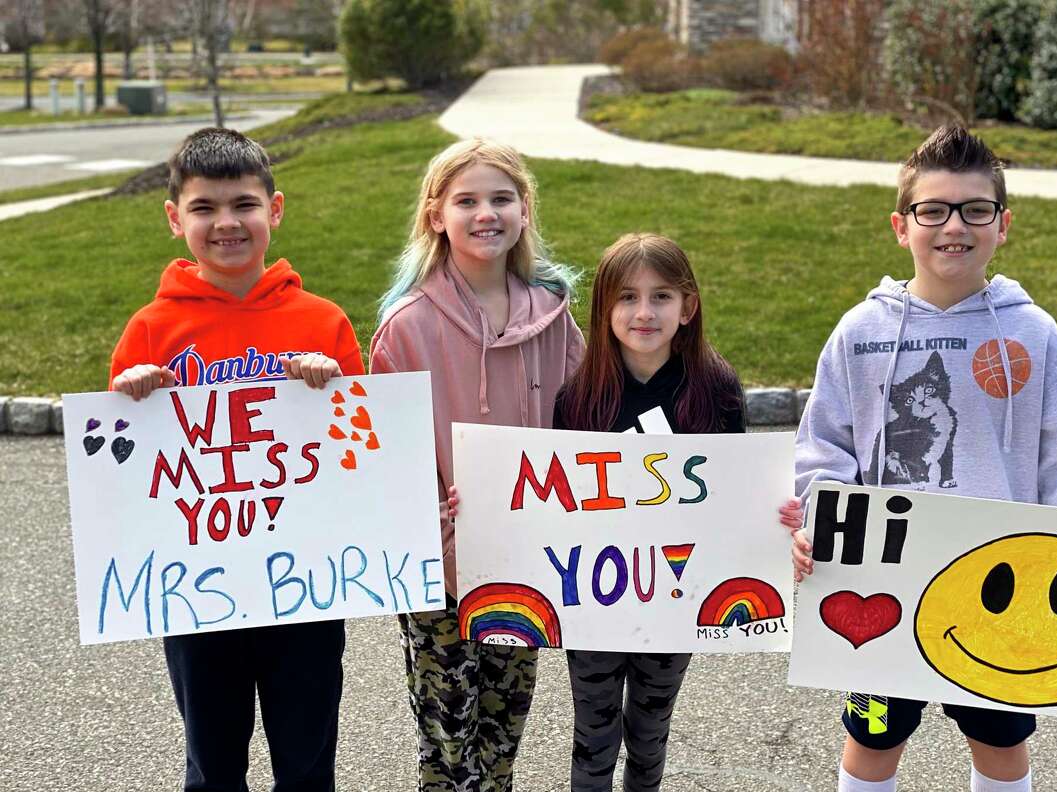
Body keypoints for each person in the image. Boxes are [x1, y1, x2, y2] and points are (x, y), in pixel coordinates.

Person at [786, 125, 1057, 792]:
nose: (954, 226)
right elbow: (824, 447)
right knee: (872, 743)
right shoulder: (861, 333)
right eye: (933, 210)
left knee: (1000, 747)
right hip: (882, 587)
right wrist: (817, 523)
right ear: (901, 226)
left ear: (1003, 225)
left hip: (1002, 585)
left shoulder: (1031, 332)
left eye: (975, 210)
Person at [110, 127, 364, 791]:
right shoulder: (150, 329)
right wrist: (129, 395)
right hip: (196, 592)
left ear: (274, 210)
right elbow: (125, 468)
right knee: (213, 763)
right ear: (175, 219)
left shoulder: (324, 323)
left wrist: (334, 388)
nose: (226, 223)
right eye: (204, 208)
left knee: (307, 762)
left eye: (244, 204)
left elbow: (361, 452)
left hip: (304, 590)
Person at [370, 138, 584, 791]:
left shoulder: (554, 318)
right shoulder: (405, 327)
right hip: (438, 569)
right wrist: (431, 521)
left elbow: (584, 425)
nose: (485, 213)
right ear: (436, 215)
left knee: (504, 724)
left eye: (501, 198)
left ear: (525, 210)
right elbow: (385, 454)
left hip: (524, 562)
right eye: (466, 201)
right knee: (448, 733)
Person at [553, 232, 745, 791]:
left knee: (650, 731)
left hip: (675, 596)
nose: (644, 312)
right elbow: (552, 501)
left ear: (688, 307)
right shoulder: (579, 397)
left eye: (661, 296)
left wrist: (771, 516)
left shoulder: (716, 389)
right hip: (594, 598)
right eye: (627, 297)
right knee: (593, 732)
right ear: (603, 309)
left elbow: (738, 491)